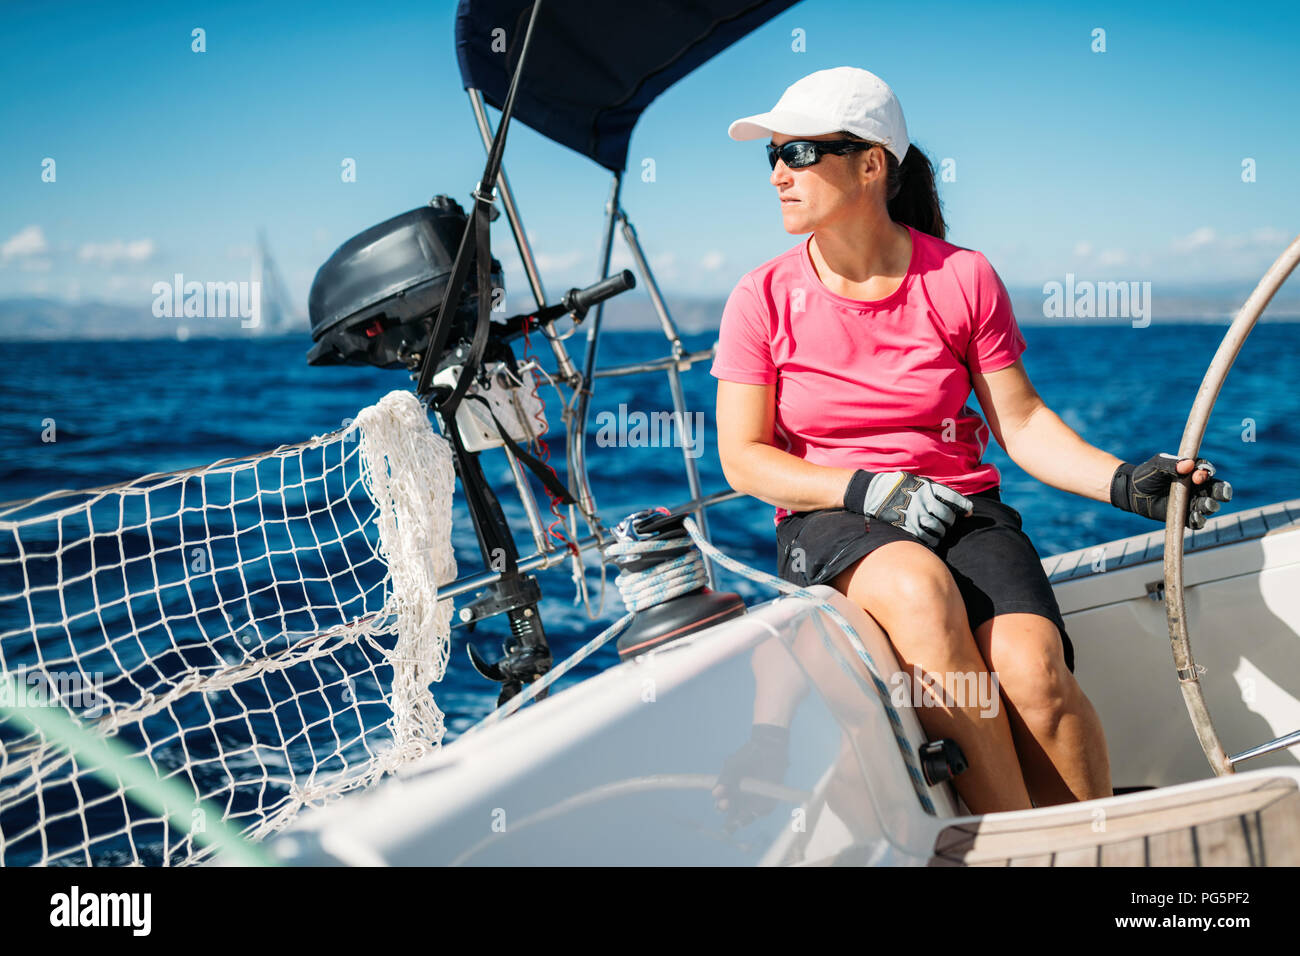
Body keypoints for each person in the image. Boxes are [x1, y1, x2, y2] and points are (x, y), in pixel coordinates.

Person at [711, 66, 1233, 815]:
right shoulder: (759, 298)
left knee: (1034, 675)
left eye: (797, 154)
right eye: (772, 157)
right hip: (829, 516)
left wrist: (1128, 482)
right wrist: (866, 488)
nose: (777, 177)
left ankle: (1093, 850)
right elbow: (744, 459)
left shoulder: (961, 277)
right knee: (920, 593)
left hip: (961, 509)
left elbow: (1020, 423)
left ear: (871, 163)